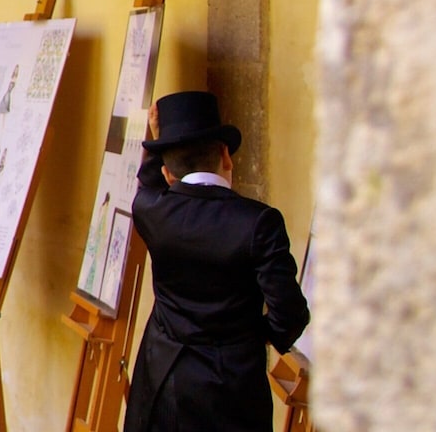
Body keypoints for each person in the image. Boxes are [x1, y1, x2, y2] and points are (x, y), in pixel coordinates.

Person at [124, 91, 311, 431]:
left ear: (168, 174)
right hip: (232, 390)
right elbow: (290, 312)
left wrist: (156, 139)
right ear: (226, 154)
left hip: (162, 379)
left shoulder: (151, 212)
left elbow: (146, 185)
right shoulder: (258, 222)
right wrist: (257, 336)